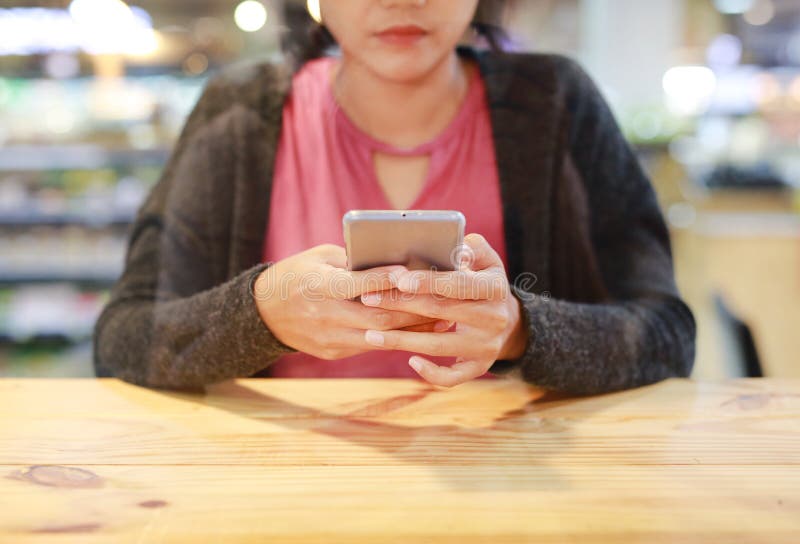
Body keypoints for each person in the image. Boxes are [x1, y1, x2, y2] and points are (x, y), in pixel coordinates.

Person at [93, 0, 696, 394]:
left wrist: (519, 328)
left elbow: (666, 333)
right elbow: (124, 337)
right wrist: (261, 309)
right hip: (283, 479)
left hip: (510, 481)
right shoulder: (240, 112)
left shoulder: (557, 103)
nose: (403, 1)